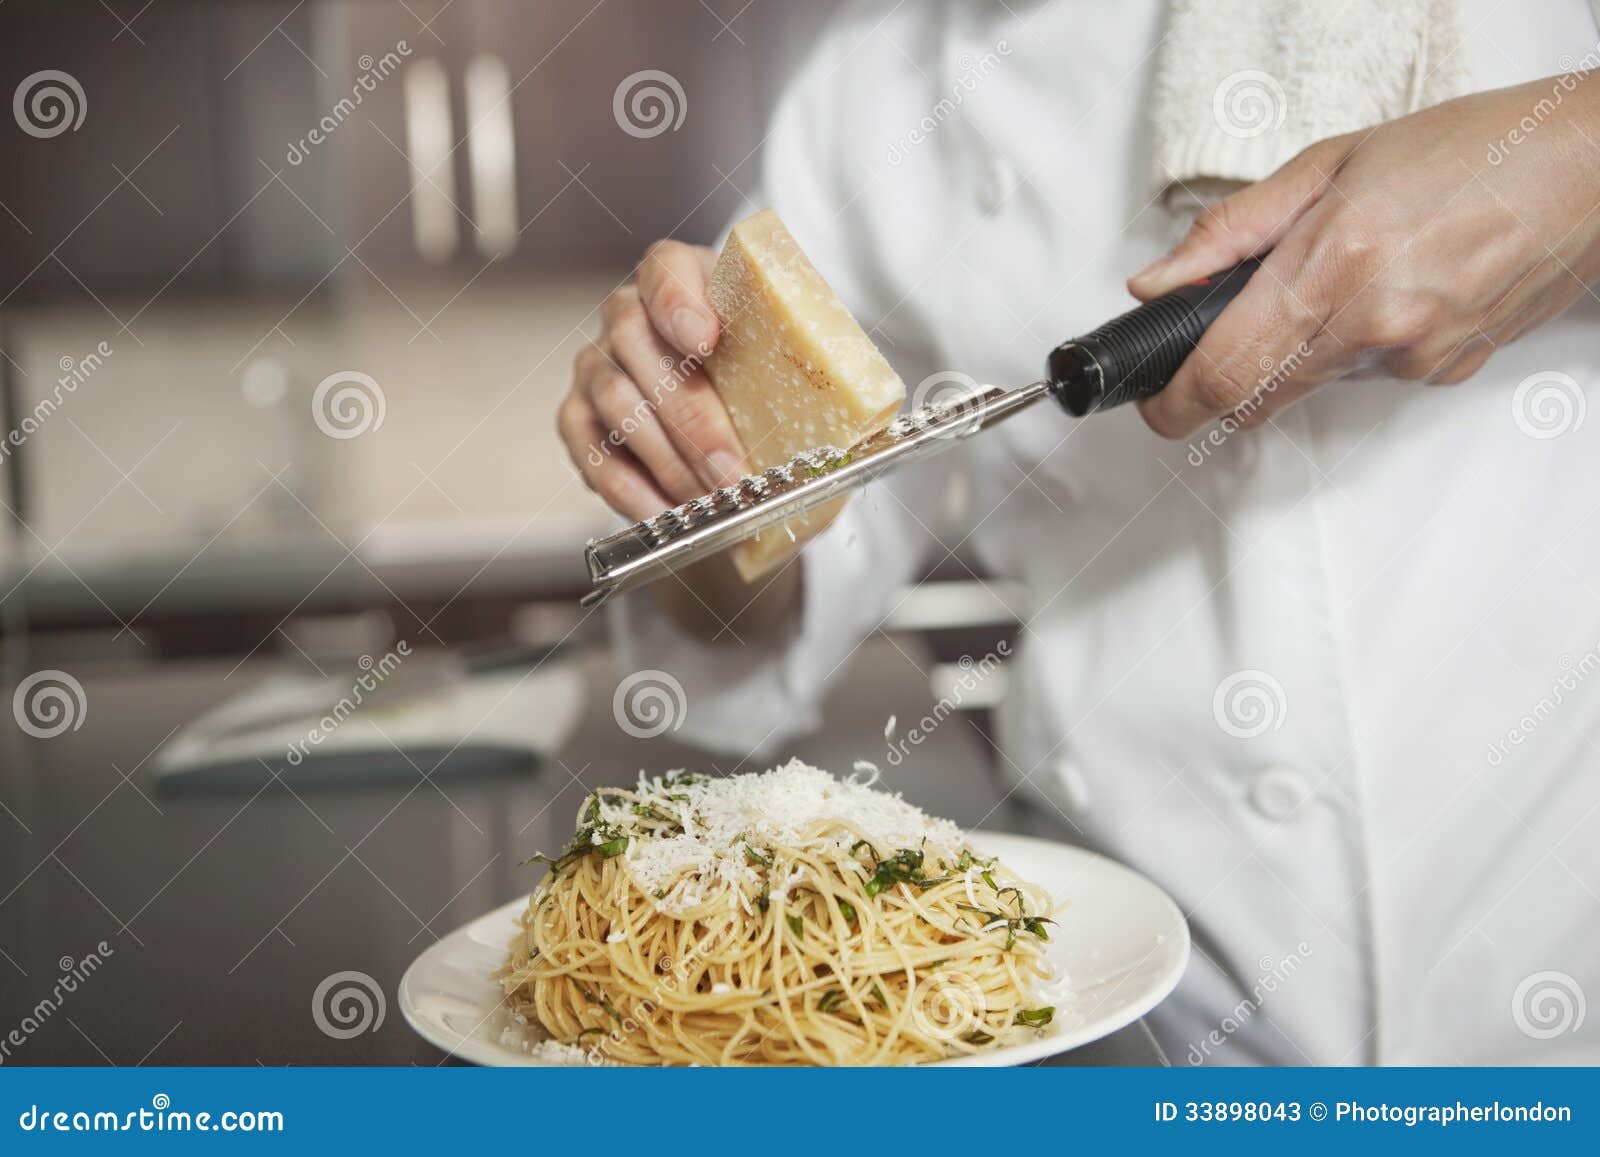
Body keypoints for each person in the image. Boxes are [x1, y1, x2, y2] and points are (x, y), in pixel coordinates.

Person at [558, 0, 1600, 1064]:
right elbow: (748, 624)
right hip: (1149, 1000)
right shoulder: (872, 93)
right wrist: (695, 478)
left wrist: (1578, 154)